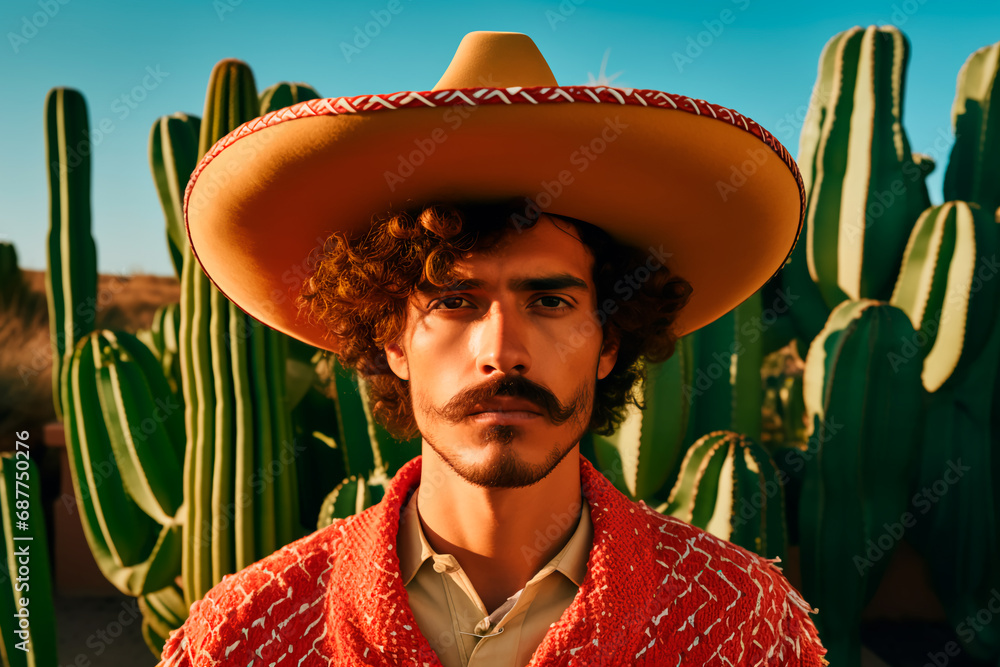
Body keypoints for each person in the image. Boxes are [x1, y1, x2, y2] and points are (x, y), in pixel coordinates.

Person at [161, 30, 828, 666]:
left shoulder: (737, 620)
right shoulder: (244, 632)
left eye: (550, 302)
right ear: (391, 339)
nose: (503, 351)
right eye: (455, 302)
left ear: (609, 340)